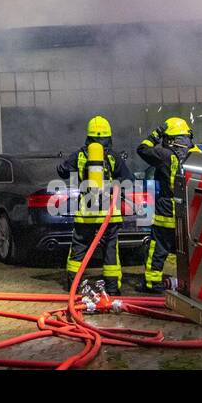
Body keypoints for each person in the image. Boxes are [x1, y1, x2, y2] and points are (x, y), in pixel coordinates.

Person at [56, 115, 131, 296]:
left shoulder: (80, 155)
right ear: (109, 137)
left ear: (88, 136)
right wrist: (114, 185)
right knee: (110, 252)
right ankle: (112, 289)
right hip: (109, 216)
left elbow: (61, 171)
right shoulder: (112, 157)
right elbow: (129, 179)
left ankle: (73, 287)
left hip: (85, 214)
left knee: (79, 250)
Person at [137, 116, 200, 292]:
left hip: (167, 210)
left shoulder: (165, 155)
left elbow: (142, 149)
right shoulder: (198, 155)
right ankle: (194, 285)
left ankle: (152, 283)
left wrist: (156, 133)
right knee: (190, 251)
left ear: (169, 138)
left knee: (158, 248)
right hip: (192, 212)